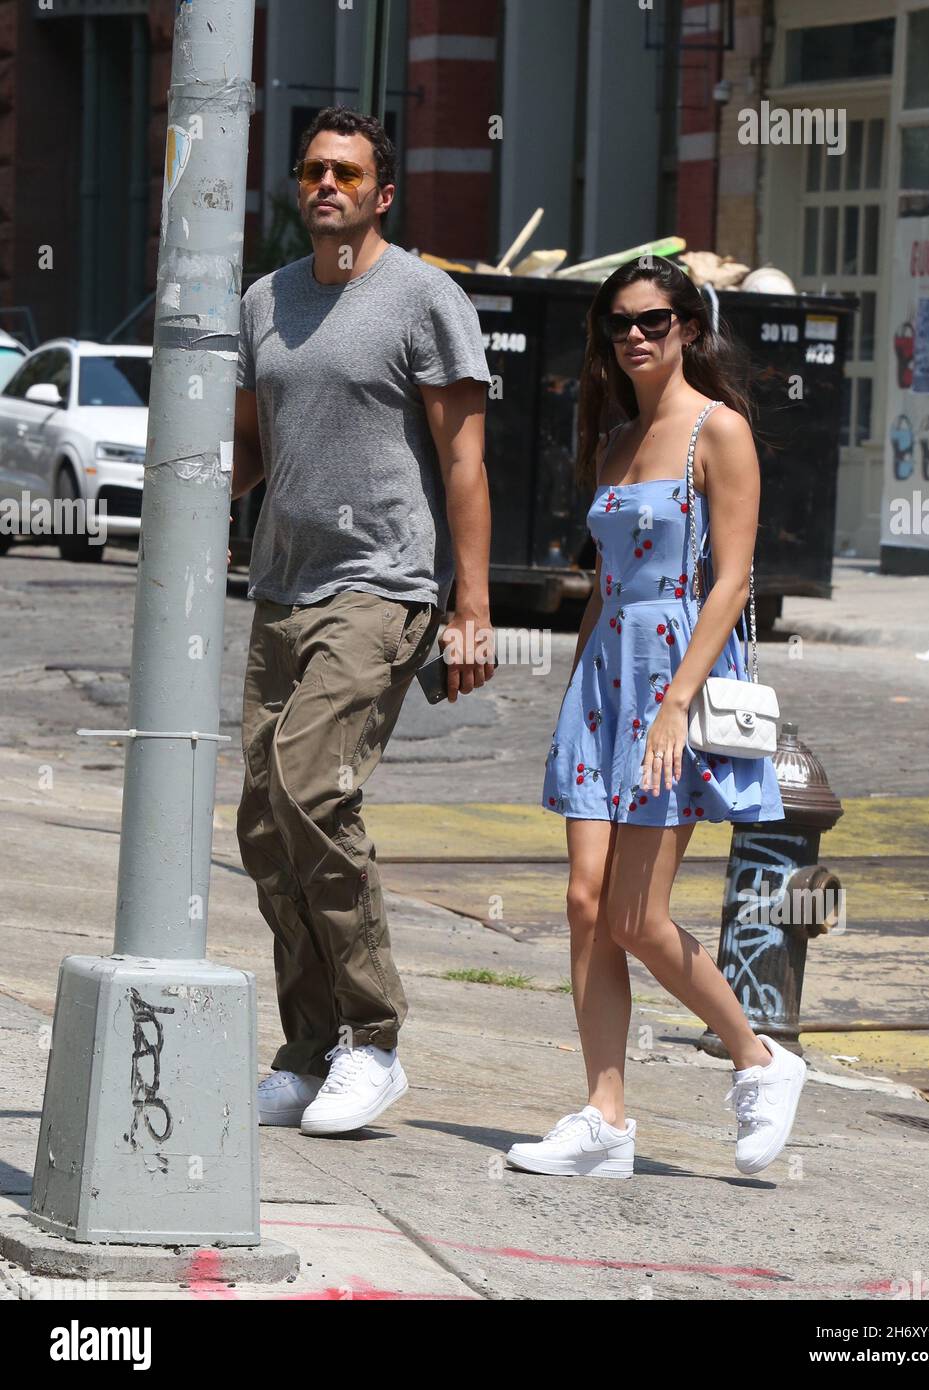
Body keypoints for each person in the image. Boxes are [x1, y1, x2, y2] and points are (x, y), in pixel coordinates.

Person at [506, 257, 804, 1179]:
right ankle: (606, 1118)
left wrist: (675, 703)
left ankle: (759, 1060)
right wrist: (574, 691)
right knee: (587, 907)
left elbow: (733, 581)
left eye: (654, 319)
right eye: (618, 324)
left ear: (688, 328)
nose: (634, 335)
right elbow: (604, 585)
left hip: (674, 683)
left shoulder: (719, 432)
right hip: (604, 683)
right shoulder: (613, 443)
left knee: (638, 916)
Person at [232, 105, 495, 1136]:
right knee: (263, 824)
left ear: (383, 193)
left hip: (381, 586)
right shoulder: (267, 300)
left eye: (346, 172)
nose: (325, 185)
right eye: (311, 171)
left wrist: (469, 607)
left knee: (309, 786)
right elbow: (249, 449)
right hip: (279, 586)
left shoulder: (424, 299)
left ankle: (373, 1040)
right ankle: (305, 1051)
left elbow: (466, 458)